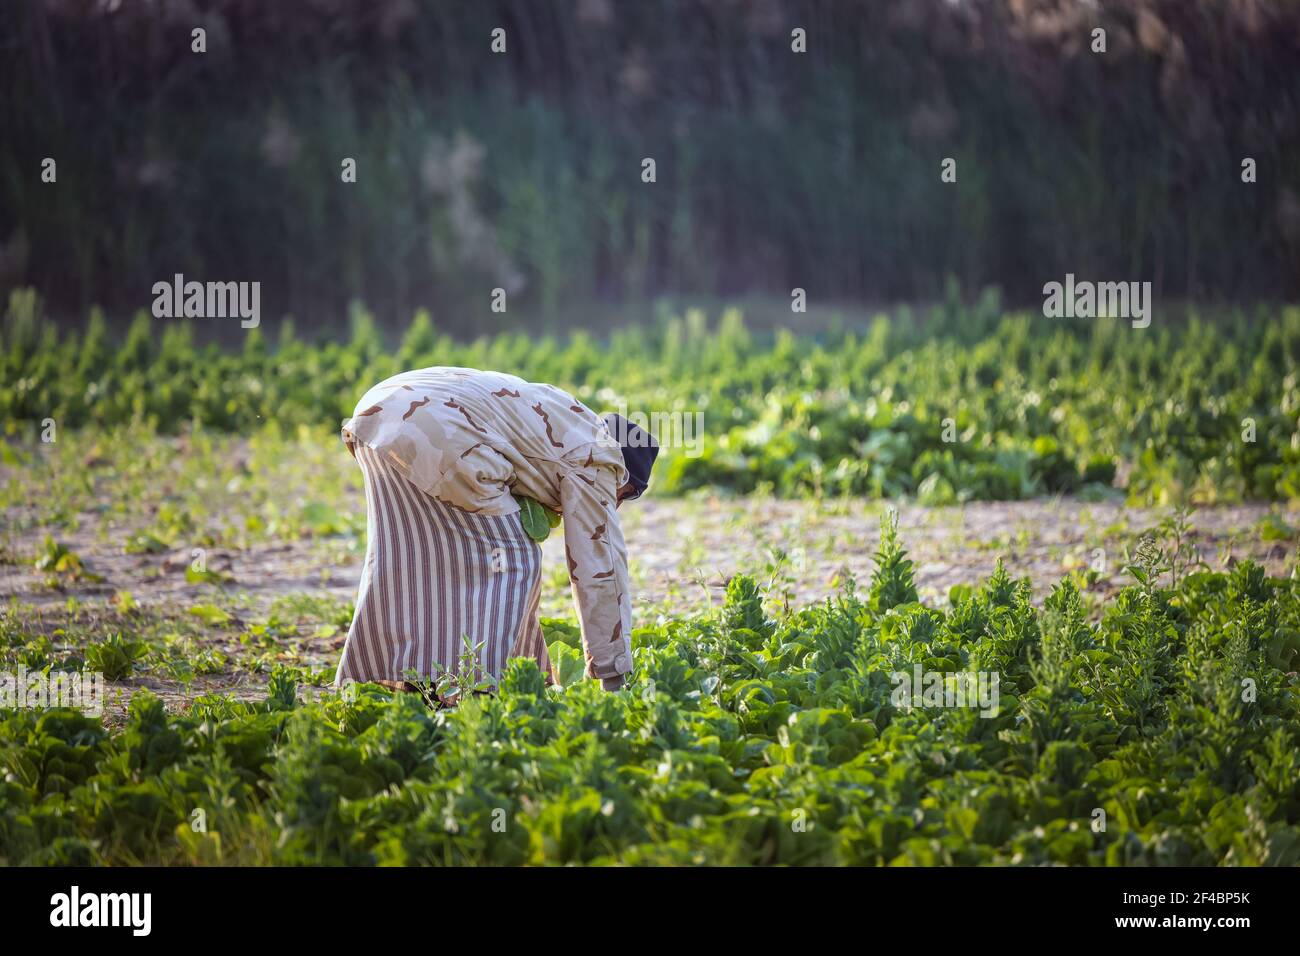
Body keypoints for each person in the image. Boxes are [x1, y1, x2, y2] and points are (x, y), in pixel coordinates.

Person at [335, 366, 657, 697]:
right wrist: (613, 674)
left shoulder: (567, 414)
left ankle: (406, 679)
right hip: (440, 430)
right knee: (514, 558)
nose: (614, 504)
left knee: (417, 555)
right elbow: (601, 567)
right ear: (623, 479)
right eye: (621, 496)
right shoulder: (601, 457)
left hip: (378, 414)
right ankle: (478, 688)